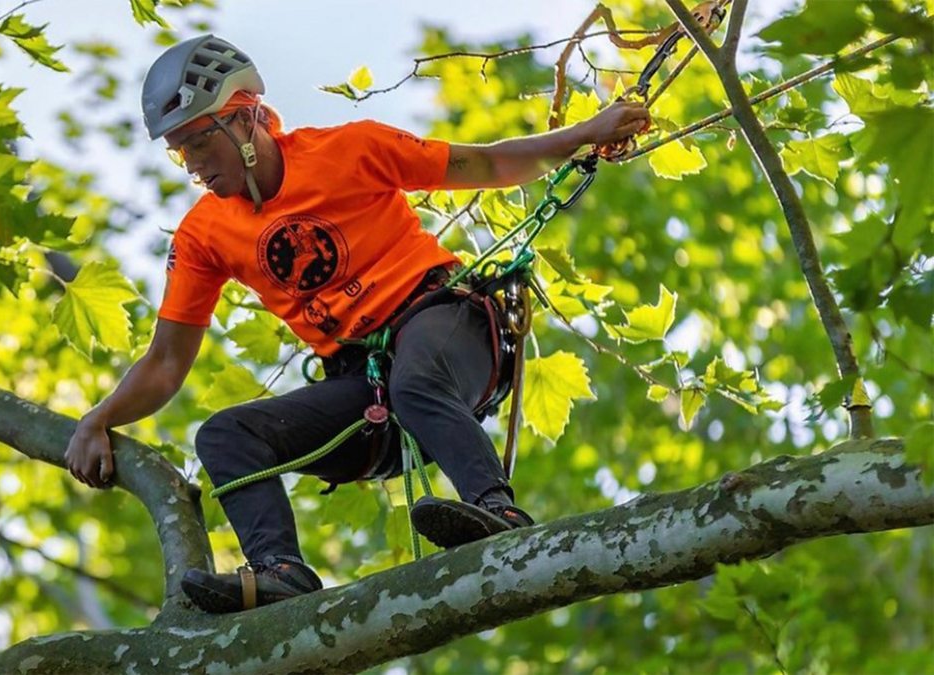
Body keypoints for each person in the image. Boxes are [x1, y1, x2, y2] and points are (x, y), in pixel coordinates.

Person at [65, 34, 649, 613]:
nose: (193, 165)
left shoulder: (350, 150)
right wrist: (100, 418)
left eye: (199, 142)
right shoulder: (204, 235)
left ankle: (497, 510)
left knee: (416, 379)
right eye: (179, 151)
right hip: (366, 387)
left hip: (446, 324)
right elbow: (167, 362)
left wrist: (585, 133)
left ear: (243, 119)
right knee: (225, 436)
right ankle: (281, 571)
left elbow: (487, 162)